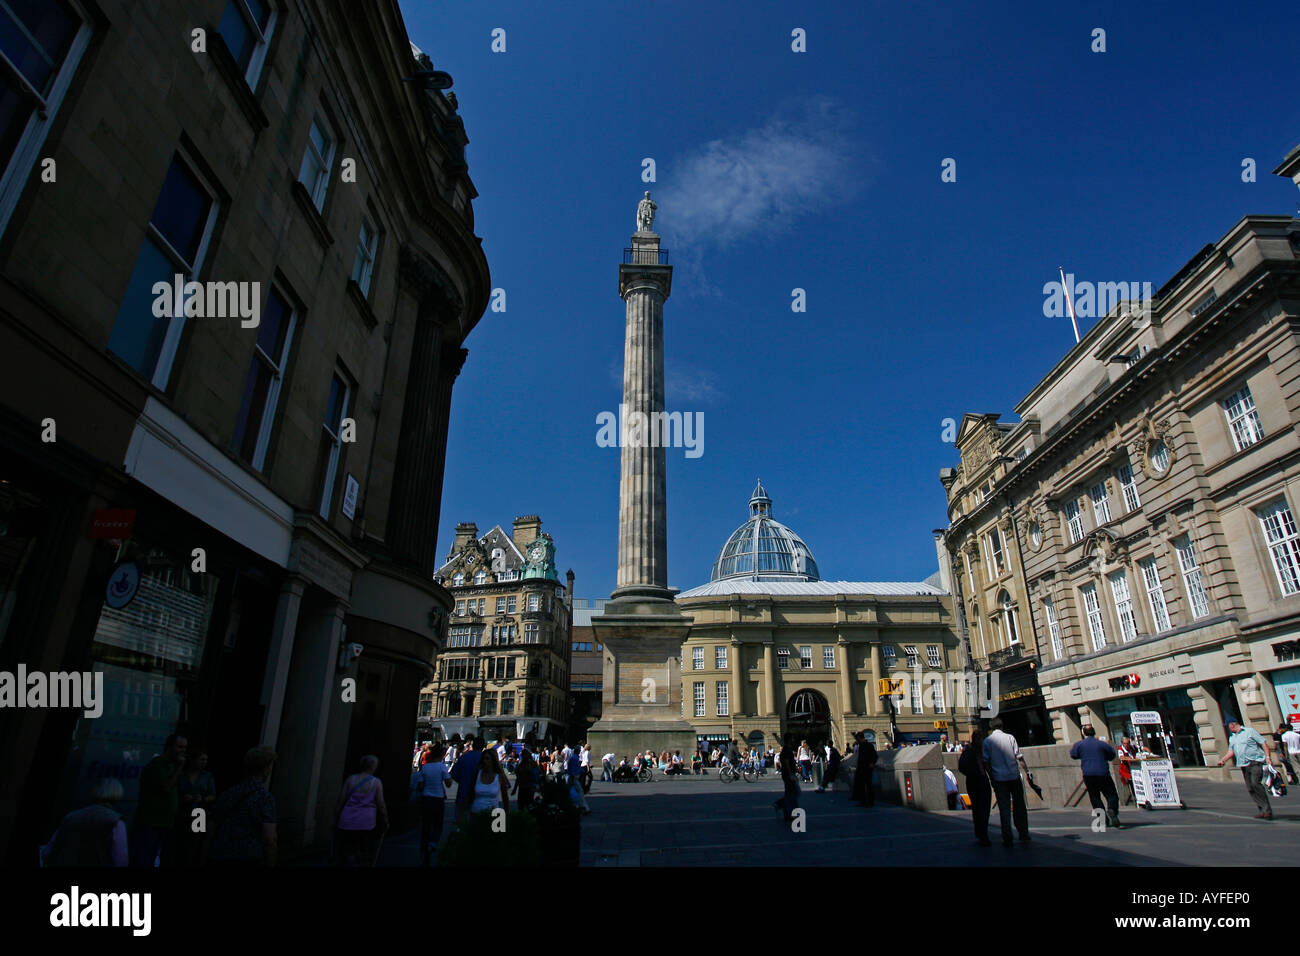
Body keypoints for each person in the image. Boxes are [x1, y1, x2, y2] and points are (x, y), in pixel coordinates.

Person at [206, 746, 278, 867]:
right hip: (249, 856)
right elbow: (269, 838)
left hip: (220, 853)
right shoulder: (265, 798)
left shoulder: (228, 793)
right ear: (266, 769)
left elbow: (211, 828)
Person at [42, 777, 129, 867]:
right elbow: (121, 860)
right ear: (118, 794)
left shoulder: (70, 817)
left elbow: (48, 852)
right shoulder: (115, 821)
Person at [130, 733, 187, 867]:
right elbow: (166, 788)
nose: (183, 751)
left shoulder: (171, 766)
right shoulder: (156, 765)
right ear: (169, 747)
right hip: (151, 823)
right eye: (180, 747)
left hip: (165, 823)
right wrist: (179, 768)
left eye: (185, 747)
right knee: (144, 859)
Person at [982, 718, 1031, 846]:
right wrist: (1027, 771)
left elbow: (986, 762)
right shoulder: (1010, 737)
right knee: (1019, 805)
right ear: (1002, 725)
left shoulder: (987, 741)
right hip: (1014, 776)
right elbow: (1019, 757)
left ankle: (1007, 836)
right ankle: (1023, 833)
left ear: (991, 727)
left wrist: (991, 776)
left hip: (999, 779)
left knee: (1004, 809)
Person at [1216, 717, 1274, 819]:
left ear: (1232, 724)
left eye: (1228, 726)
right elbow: (1231, 751)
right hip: (1243, 765)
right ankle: (1262, 809)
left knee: (1256, 783)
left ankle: (1267, 810)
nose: (1228, 728)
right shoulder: (1232, 737)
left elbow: (1263, 743)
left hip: (1255, 762)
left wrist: (1268, 757)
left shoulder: (1249, 732)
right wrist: (1223, 760)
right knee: (1250, 788)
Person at [335, 755, 388, 866]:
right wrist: (385, 819)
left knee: (347, 848)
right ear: (374, 767)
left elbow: (341, 800)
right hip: (366, 821)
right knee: (363, 849)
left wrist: (336, 816)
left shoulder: (351, 779)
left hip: (347, 820)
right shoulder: (376, 782)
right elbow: (381, 804)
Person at [1069, 725, 1121, 828]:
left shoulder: (1080, 744)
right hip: (1103, 772)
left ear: (1084, 733)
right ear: (1094, 732)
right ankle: (1112, 809)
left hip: (1089, 774)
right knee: (1111, 794)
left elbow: (1073, 754)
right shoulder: (1102, 744)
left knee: (1095, 797)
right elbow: (1111, 755)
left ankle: (1102, 819)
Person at [174, 750, 216, 866]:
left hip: (199, 812)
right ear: (193, 760)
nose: (204, 762)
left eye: (206, 760)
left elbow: (213, 795)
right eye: (201, 759)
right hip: (182, 811)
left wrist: (202, 798)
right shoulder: (182, 775)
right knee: (178, 840)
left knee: (196, 843)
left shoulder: (207, 776)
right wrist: (183, 798)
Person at [416, 744, 452, 866]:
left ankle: (424, 847)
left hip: (426, 798)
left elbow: (420, 786)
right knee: (437, 824)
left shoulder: (425, 768)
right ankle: (433, 844)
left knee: (426, 824)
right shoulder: (442, 767)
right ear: (441, 755)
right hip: (438, 798)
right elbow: (448, 784)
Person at [958, 728, 992, 846]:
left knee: (977, 808)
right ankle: (983, 833)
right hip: (980, 780)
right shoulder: (980, 750)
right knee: (983, 808)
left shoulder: (969, 749)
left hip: (972, 781)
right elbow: (987, 766)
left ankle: (980, 832)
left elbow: (961, 766)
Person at [450, 737, 482, 821]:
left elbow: (454, 774)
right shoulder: (484, 758)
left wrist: (462, 780)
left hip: (462, 794)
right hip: (479, 797)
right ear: (483, 746)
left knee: (461, 823)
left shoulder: (464, 757)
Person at [469, 748, 510, 815]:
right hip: (476, 813)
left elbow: (505, 797)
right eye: (483, 759)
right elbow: (469, 793)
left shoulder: (499, 776)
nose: (485, 761)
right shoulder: (477, 774)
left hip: (494, 815)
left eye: (487, 759)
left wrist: (507, 813)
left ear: (493, 761)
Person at [773, 739, 800, 823]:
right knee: (794, 793)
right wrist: (791, 774)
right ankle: (784, 808)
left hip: (788, 775)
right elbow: (787, 763)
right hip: (789, 775)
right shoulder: (787, 751)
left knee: (791, 794)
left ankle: (787, 812)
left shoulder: (785, 751)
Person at [852, 732, 877, 807]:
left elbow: (874, 756)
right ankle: (863, 801)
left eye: (857, 739)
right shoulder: (862, 746)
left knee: (868, 785)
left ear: (860, 738)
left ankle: (870, 802)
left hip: (867, 768)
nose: (857, 740)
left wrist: (872, 763)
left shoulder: (868, 745)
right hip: (861, 768)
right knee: (861, 785)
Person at [566, 746, 590, 814]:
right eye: (579, 750)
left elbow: (576, 768)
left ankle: (581, 806)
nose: (580, 752)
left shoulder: (574, 757)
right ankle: (583, 807)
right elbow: (575, 768)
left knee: (575, 792)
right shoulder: (575, 758)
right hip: (574, 777)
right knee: (579, 792)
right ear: (577, 751)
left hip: (573, 776)